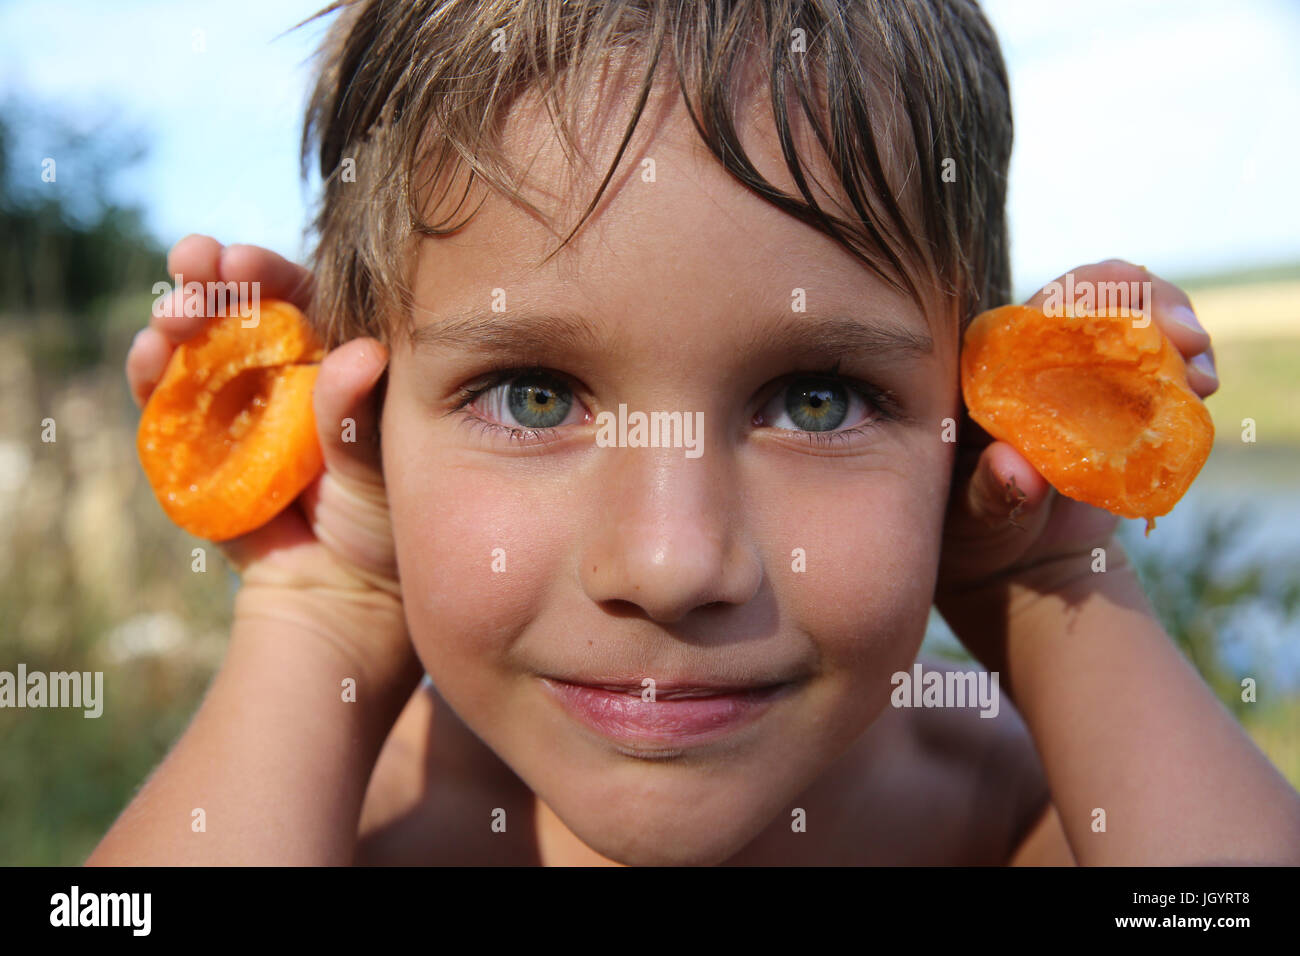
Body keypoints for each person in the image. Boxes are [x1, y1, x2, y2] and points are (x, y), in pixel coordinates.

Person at [92, 0, 1299, 865]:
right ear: (362, 424)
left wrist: (1047, 585)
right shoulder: (345, 812)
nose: (672, 563)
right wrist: (320, 616)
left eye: (816, 399)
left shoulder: (1014, 806)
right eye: (533, 396)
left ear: (970, 419)